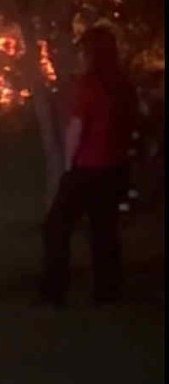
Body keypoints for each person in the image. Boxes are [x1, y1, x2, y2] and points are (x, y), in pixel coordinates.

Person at [39, 25, 138, 307]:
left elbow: (77, 128)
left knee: (56, 227)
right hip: (115, 166)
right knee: (104, 230)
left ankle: (54, 289)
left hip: (87, 167)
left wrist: (69, 165)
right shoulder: (123, 86)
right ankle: (107, 292)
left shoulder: (88, 85)